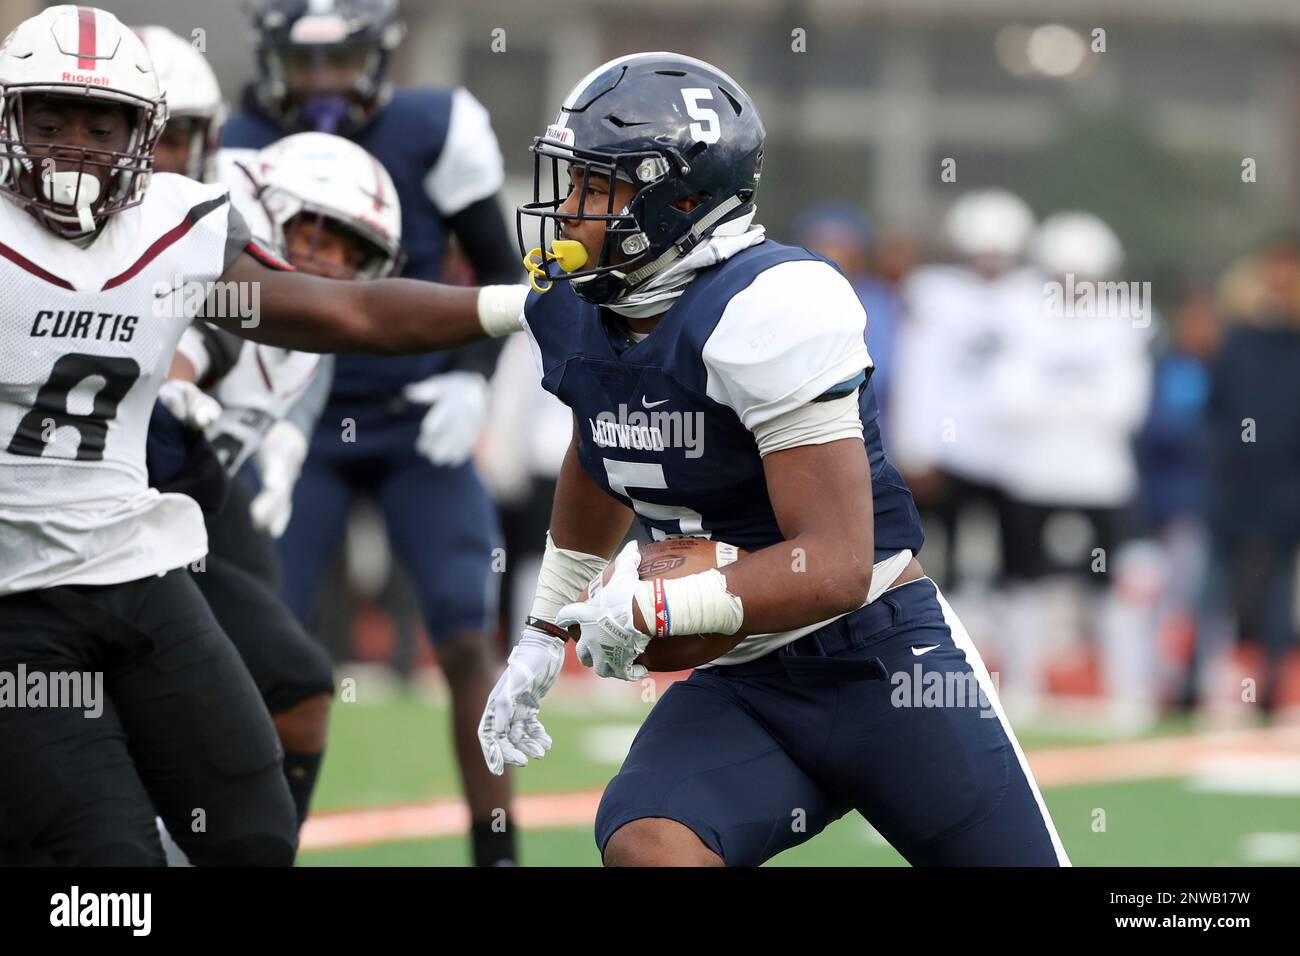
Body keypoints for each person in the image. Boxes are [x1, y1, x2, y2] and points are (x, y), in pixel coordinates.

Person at [477, 52, 1068, 867]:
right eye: (573, 181)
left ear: (678, 198)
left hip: (879, 658)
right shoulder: (585, 306)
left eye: (597, 186)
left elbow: (832, 563)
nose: (570, 209)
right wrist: (544, 629)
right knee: (650, 844)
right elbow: (603, 444)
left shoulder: (772, 304)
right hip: (747, 675)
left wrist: (660, 610)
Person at [0, 5, 525, 866]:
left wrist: (518, 306)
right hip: (14, 603)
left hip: (134, 574)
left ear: (145, 132)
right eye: (48, 121)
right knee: (108, 862)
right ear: (8, 119)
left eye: (103, 125)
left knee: (252, 832)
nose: (75, 149)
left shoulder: (176, 224)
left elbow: (347, 308)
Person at [222, 0, 520, 864]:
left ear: (381, 55)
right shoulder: (233, 139)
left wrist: (469, 381)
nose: (322, 84)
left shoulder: (438, 124)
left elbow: (498, 272)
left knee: (469, 636)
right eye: (304, 62)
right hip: (290, 425)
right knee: (264, 646)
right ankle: (254, 845)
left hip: (412, 418)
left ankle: (497, 852)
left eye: (342, 61)